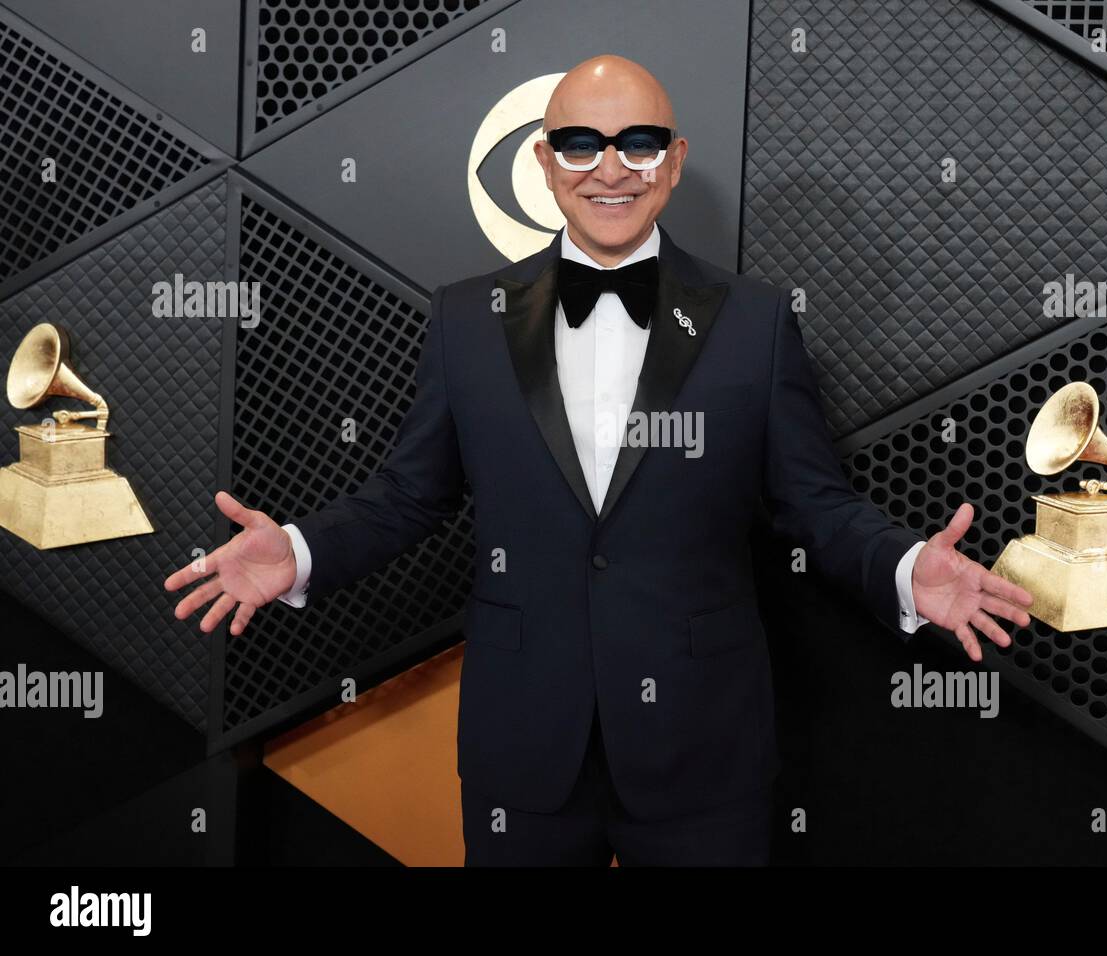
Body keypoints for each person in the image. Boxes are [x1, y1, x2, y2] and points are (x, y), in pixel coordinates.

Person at [165, 54, 1032, 866]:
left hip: (706, 744)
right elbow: (407, 497)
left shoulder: (756, 322)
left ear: (675, 159)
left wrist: (905, 567)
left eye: (638, 143)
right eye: (581, 144)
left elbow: (813, 502)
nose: (610, 170)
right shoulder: (466, 319)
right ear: (544, 161)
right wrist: (302, 552)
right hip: (524, 745)